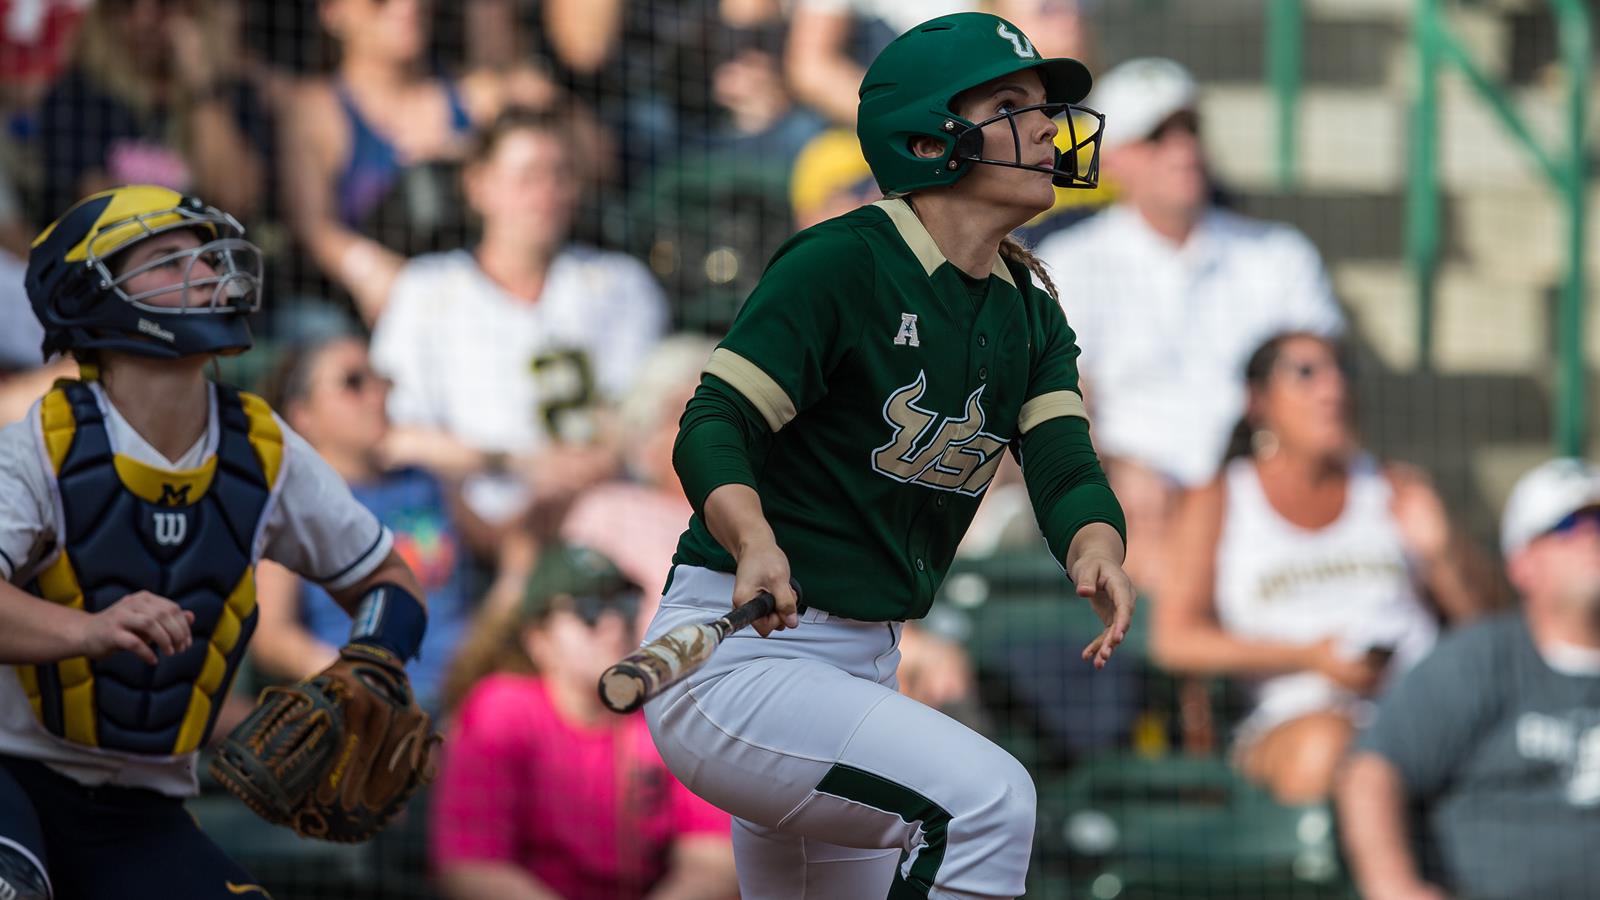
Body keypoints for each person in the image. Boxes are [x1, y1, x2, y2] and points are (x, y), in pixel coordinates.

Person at [642, 14, 1132, 898]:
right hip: (740, 657)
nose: (1046, 126)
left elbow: (1062, 458)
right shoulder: (843, 263)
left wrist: (1093, 541)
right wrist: (754, 539)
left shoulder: (1030, 308)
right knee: (988, 803)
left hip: (858, 669)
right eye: (1012, 104)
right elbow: (713, 421)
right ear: (926, 140)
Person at [0, 185, 432, 898]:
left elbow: (390, 579)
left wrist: (372, 662)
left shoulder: (263, 450)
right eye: (168, 259)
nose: (206, 270)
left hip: (139, 808)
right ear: (88, 291)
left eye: (205, 254)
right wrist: (89, 629)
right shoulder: (39, 448)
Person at [1035, 57, 1344, 590]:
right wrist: (1109, 469)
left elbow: (1321, 390)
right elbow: (1057, 404)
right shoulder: (1070, 262)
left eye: (1190, 129)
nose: (1183, 150)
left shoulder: (1280, 253)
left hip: (1261, 493)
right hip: (1135, 505)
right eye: (1157, 136)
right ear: (1112, 161)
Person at [1150, 333, 1496, 804]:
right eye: (1307, 373)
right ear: (1259, 401)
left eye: (1342, 372)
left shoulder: (1393, 487)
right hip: (1295, 722)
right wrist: (1311, 656)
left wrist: (1442, 553)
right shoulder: (1221, 499)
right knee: (1331, 745)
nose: (1333, 389)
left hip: (1418, 708)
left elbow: (1489, 626)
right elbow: (1174, 641)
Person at [370, 106, 668, 527]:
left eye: (560, 175)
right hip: (466, 525)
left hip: (603, 517)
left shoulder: (621, 283)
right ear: (478, 185)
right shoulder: (424, 290)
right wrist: (516, 463)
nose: (546, 193)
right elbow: (395, 435)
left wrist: (602, 457)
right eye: (527, 177)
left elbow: (648, 413)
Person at [1338, 458, 1600, 900]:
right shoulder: (1478, 660)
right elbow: (1369, 772)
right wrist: (1394, 886)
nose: (1594, 536)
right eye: (1571, 523)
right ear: (1523, 563)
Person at [433, 543, 738, 900]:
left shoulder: (668, 713)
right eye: (588, 611)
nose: (612, 624)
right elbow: (472, 867)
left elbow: (714, 863)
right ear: (539, 640)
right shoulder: (501, 709)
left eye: (624, 606)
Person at [280, 0, 561, 322]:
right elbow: (313, 226)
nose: (407, 6)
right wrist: (368, 269)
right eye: (380, 2)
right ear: (332, 13)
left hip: (479, 295)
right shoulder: (313, 111)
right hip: (369, 310)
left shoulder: (480, 96)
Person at [250, 335, 487, 713]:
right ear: (302, 415)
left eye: (381, 379)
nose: (377, 394)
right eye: (353, 383)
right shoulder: (293, 503)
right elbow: (274, 638)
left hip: (473, 688)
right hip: (374, 707)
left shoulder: (424, 480)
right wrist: (365, 685)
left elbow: (508, 542)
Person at [35, 0, 271, 224]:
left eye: (163, 4)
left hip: (213, 255)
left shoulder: (228, 93)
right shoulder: (77, 94)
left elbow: (236, 198)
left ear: (193, 12)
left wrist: (201, 90)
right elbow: (94, 207)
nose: (142, 19)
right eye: (126, 4)